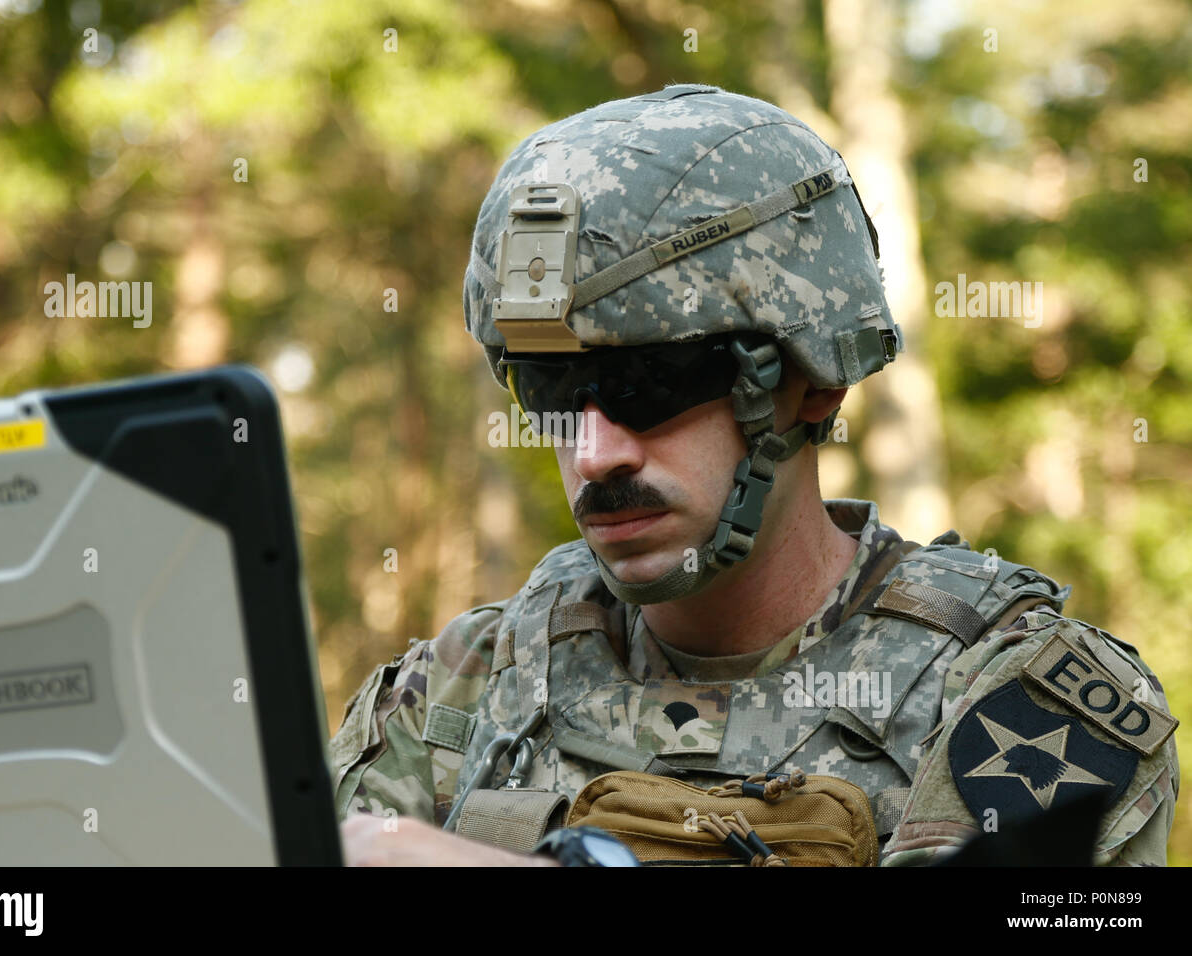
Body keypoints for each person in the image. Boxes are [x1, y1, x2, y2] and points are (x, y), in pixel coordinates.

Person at [329, 84, 1178, 867]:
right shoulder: (463, 686)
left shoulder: (1022, 702)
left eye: (649, 384)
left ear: (814, 380)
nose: (595, 453)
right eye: (549, 389)